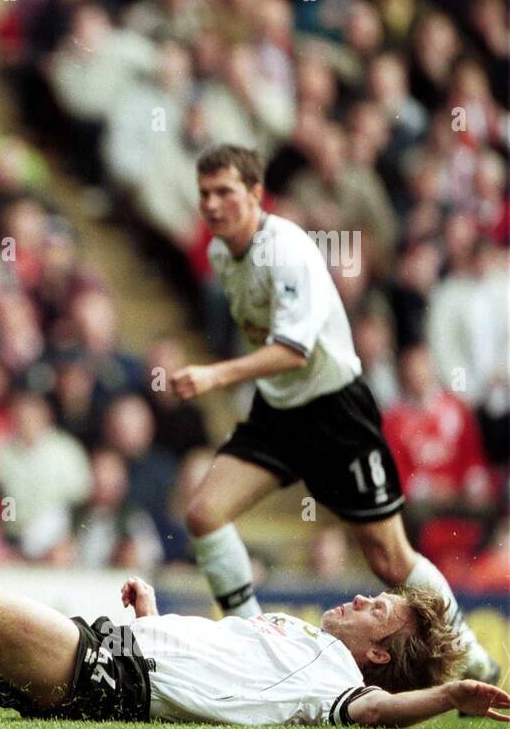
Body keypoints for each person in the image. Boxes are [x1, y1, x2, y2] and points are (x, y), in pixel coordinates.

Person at [167, 144, 499, 685]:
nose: (212, 203)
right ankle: (255, 652)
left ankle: (468, 655)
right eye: (204, 193)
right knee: (205, 514)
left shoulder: (288, 250)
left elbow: (294, 350)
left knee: (390, 560)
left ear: (255, 194)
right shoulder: (226, 255)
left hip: (334, 411)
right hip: (279, 410)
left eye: (225, 191)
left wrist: (214, 375)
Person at [0, 579, 510, 727]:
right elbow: (215, 653)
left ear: (379, 653)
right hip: (122, 652)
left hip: (111, 673)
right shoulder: (300, 638)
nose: (360, 599)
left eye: (378, 609)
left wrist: (445, 695)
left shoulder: (341, 686)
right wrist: (154, 614)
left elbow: (380, 714)